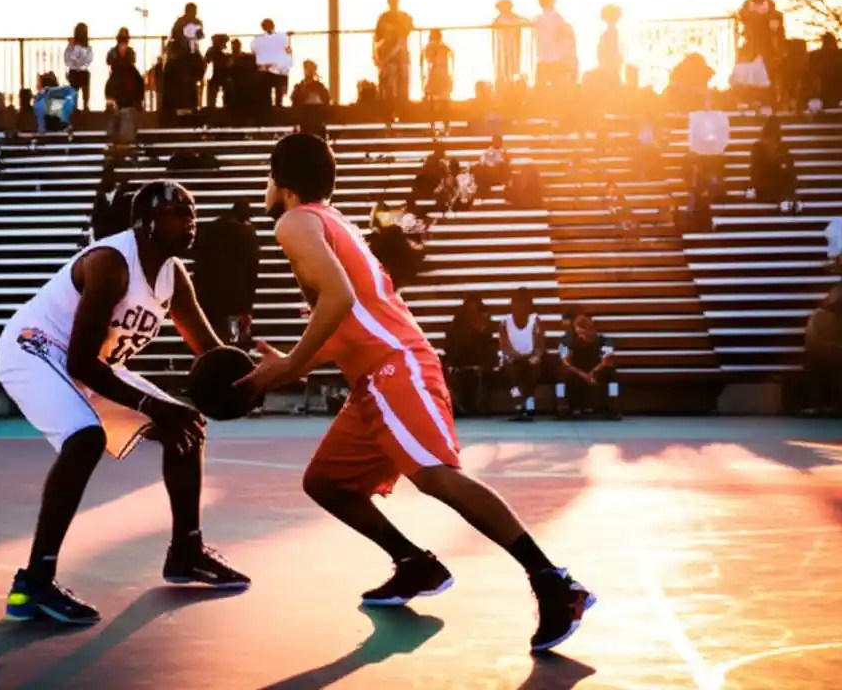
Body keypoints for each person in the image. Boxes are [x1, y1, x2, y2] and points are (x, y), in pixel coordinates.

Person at [239, 133, 592, 652]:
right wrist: (289, 368)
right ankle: (415, 564)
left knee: (434, 477)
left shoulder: (295, 222)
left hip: (393, 367)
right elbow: (346, 319)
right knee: (327, 482)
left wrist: (290, 363)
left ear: (282, 183)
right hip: (375, 373)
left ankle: (554, 583)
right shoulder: (332, 225)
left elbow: (338, 299)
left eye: (268, 177)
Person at [0, 180, 249, 625]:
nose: (191, 222)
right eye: (178, 212)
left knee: (187, 426)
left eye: (192, 212)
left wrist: (256, 378)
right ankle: (34, 580)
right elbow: (79, 360)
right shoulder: (112, 263)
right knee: (85, 438)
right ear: (147, 221)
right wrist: (154, 407)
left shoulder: (173, 275)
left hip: (90, 363)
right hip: (36, 348)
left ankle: (186, 551)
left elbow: (209, 354)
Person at [191, 200, 260, 346]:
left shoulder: (208, 228)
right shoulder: (247, 234)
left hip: (208, 292)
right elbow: (251, 270)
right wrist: (248, 307)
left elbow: (196, 256)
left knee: (212, 332)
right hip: (235, 295)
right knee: (233, 337)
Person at [556, 312, 620, 419]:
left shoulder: (603, 340)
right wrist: (583, 375)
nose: (581, 336)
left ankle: (614, 407)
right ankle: (561, 406)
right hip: (576, 371)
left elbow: (606, 360)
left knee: (613, 375)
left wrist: (593, 372)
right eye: (578, 333)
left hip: (596, 371)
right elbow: (565, 362)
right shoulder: (567, 340)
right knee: (561, 376)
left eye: (583, 333)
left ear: (591, 330)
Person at [499, 286, 545, 421]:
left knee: (534, 368)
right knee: (510, 369)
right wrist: (516, 356)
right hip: (512, 358)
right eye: (518, 303)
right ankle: (518, 402)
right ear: (512, 304)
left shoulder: (535, 320)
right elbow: (504, 346)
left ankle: (530, 403)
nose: (521, 307)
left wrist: (536, 356)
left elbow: (540, 345)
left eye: (524, 303)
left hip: (530, 358)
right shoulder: (504, 322)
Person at [803, 285, 842, 416]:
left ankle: (826, 405)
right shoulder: (823, 317)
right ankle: (825, 405)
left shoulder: (821, 316)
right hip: (823, 355)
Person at [65, 23, 94, 112]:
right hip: (79, 71)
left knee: (79, 77)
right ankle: (84, 105)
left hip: (76, 71)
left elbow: (68, 58)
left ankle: (77, 105)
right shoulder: (85, 46)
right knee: (83, 76)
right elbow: (88, 59)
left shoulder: (73, 44)